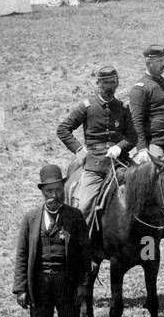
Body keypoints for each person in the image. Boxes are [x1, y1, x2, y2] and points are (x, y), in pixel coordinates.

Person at [13, 164, 91, 317]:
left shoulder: (75, 217)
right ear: (42, 191)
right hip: (39, 286)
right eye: (49, 191)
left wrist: (82, 285)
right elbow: (22, 255)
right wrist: (20, 289)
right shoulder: (31, 219)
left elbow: (85, 255)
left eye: (58, 190)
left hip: (67, 285)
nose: (54, 196)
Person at [55, 65, 136, 217]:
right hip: (95, 166)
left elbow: (132, 137)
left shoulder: (123, 108)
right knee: (84, 207)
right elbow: (63, 129)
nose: (110, 86)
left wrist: (119, 147)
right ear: (98, 83)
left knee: (149, 187)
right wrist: (79, 149)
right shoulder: (87, 107)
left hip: (121, 162)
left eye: (113, 82)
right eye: (106, 82)